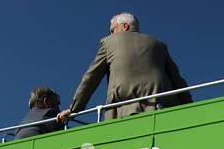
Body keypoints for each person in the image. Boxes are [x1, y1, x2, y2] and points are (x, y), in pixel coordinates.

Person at [57, 13, 191, 123]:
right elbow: (178, 81)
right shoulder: (160, 45)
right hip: (164, 110)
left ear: (125, 26)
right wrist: (191, 109)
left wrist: (74, 109)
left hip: (125, 113)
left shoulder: (108, 43)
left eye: (112, 30)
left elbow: (91, 78)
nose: (111, 34)